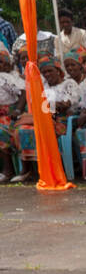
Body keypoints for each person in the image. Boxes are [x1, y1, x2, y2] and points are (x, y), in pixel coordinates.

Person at [0, 46, 24, 183]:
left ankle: (8, 170)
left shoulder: (8, 78)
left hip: (9, 115)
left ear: (8, 64)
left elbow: (22, 94)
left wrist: (17, 110)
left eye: (1, 62)